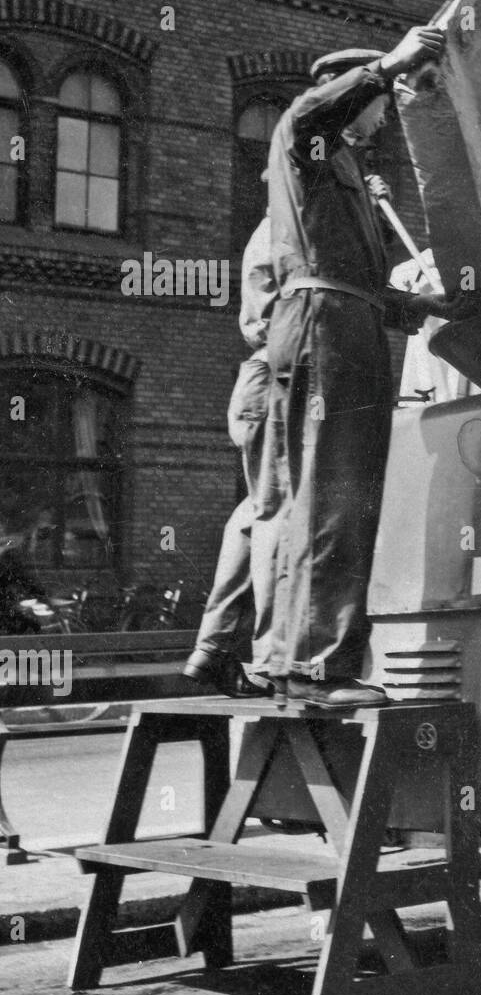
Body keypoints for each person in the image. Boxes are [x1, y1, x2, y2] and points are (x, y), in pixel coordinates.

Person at [264, 30, 453, 708]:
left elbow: (364, 281)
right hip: (329, 331)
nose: (386, 117)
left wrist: (426, 306)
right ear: (354, 93)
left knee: (334, 496)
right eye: (380, 102)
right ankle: (315, 667)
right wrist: (388, 65)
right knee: (332, 498)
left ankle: (300, 659)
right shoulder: (309, 140)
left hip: (349, 329)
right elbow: (312, 113)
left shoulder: (340, 168)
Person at [182, 215, 279, 692]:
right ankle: (271, 661)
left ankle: (212, 649)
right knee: (277, 516)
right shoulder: (299, 219)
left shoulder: (270, 224)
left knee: (254, 513)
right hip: (280, 378)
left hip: (260, 382)